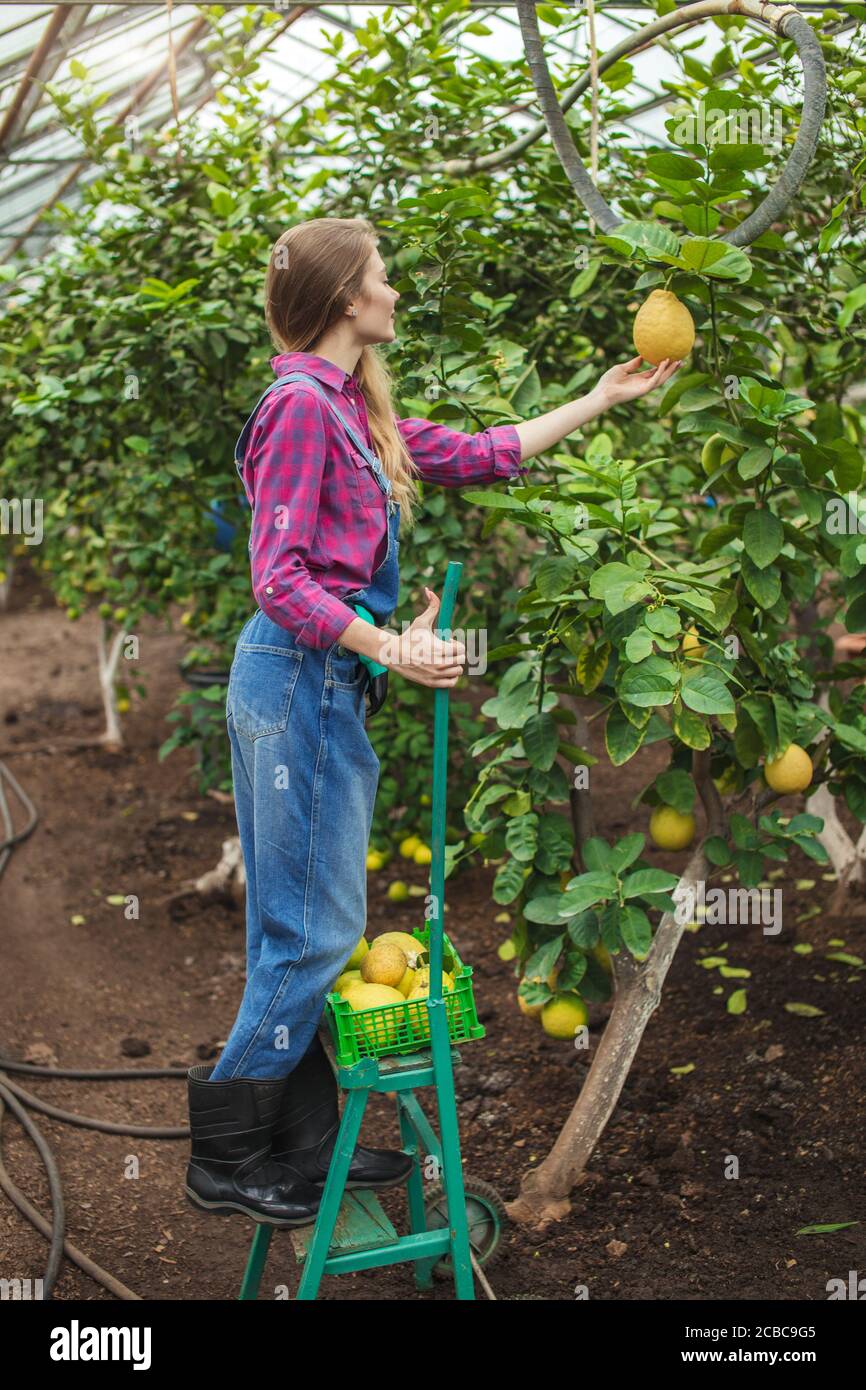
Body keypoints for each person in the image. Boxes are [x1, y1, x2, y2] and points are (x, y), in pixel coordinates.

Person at [185, 216, 681, 1227]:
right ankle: (225, 1153)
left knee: (309, 927)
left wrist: (599, 398)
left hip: (319, 689)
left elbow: (471, 454)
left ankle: (302, 1141)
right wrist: (390, 648)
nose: (395, 293)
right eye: (381, 279)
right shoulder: (296, 409)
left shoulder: (347, 407)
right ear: (342, 301)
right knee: (312, 932)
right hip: (294, 685)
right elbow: (276, 578)